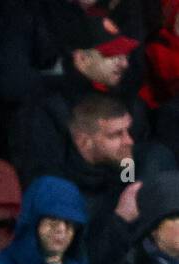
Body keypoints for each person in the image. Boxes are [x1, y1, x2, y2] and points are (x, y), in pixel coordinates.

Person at [24, 94, 174, 264]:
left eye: (128, 131)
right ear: (84, 141)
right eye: (115, 135)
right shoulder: (62, 192)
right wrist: (121, 218)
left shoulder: (133, 165)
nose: (129, 141)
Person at [11, 9, 147, 188]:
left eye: (125, 55)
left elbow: (130, 174)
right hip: (70, 205)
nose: (124, 63)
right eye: (111, 55)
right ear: (81, 58)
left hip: (124, 205)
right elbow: (43, 176)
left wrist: (126, 178)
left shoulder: (131, 104)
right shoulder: (47, 106)